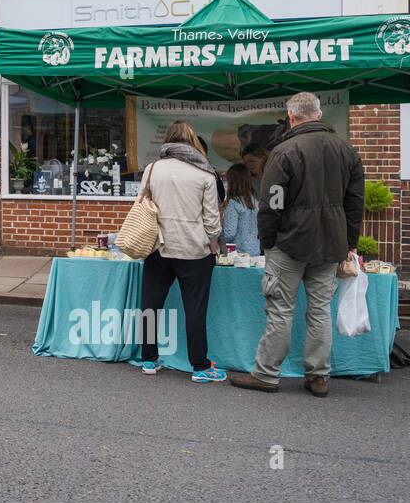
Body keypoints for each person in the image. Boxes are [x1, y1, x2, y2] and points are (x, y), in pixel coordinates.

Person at [230, 92, 365, 398]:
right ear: (318, 115)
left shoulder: (284, 151)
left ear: (290, 116)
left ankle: (266, 375)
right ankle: (318, 376)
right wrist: (350, 242)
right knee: (320, 311)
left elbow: (272, 201)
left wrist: (268, 240)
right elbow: (355, 202)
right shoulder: (346, 150)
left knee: (280, 310)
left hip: (289, 242)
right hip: (331, 242)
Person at [137, 121, 225, 383]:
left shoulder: (152, 169)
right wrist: (214, 245)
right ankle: (199, 365)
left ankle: (149, 360)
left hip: (158, 247)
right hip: (193, 249)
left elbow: (142, 205)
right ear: (192, 142)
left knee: (150, 305)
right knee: (195, 309)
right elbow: (211, 219)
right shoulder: (205, 174)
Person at [222, 163, 261, 256]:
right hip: (255, 250)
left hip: (238, 253)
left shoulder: (233, 202)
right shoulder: (255, 201)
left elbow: (230, 233)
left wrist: (218, 240)